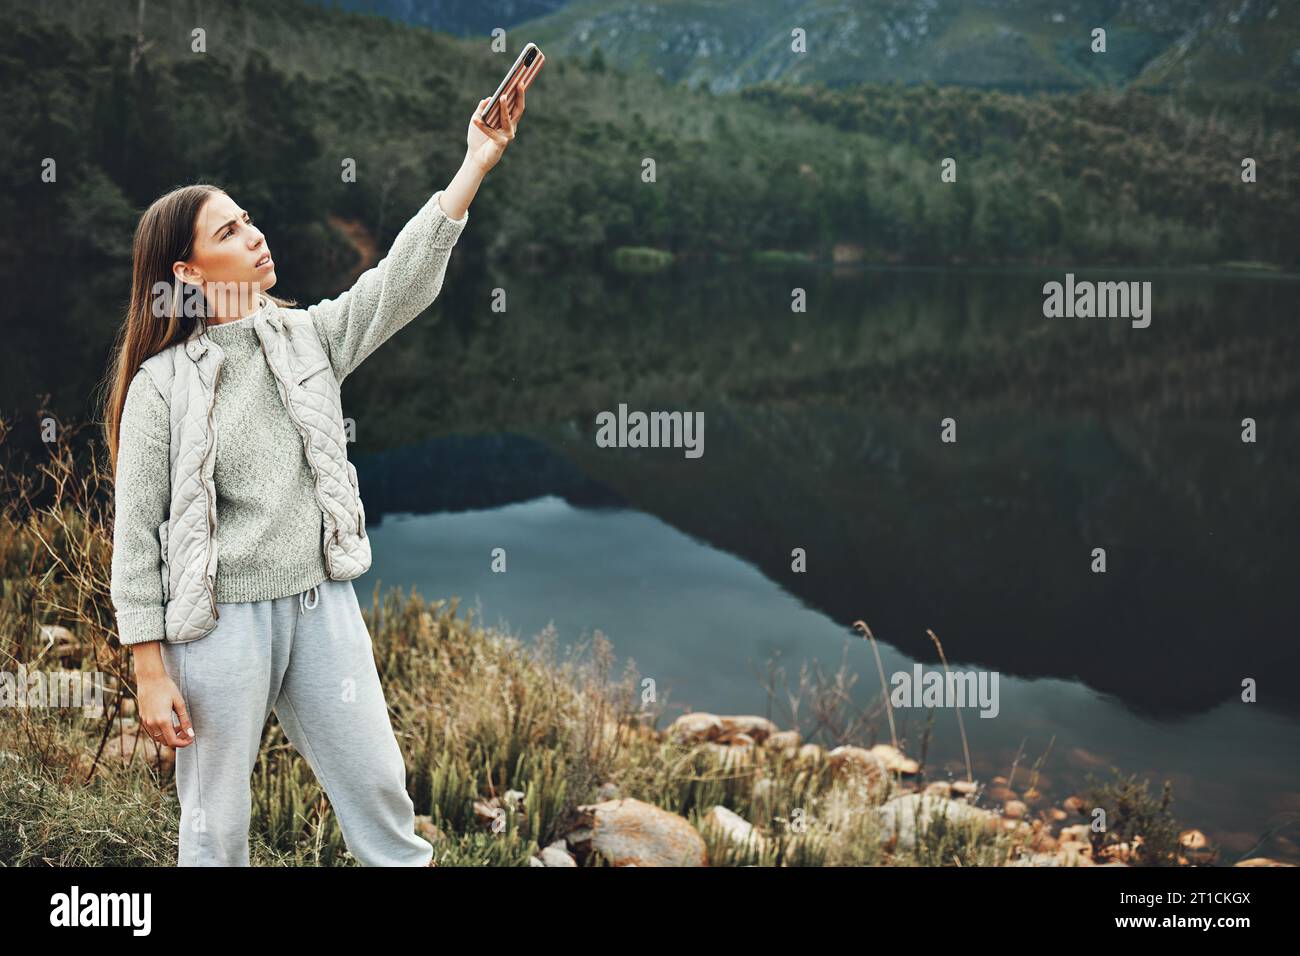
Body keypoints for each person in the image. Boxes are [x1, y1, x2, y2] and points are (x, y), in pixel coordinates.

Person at [100, 89, 526, 866]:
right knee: (216, 822)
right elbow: (136, 540)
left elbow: (398, 283)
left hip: (320, 603)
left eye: (250, 220)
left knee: (379, 787)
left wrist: (475, 163)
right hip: (221, 624)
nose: (256, 236)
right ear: (189, 273)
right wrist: (149, 668)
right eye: (231, 231)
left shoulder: (307, 338)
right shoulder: (160, 386)